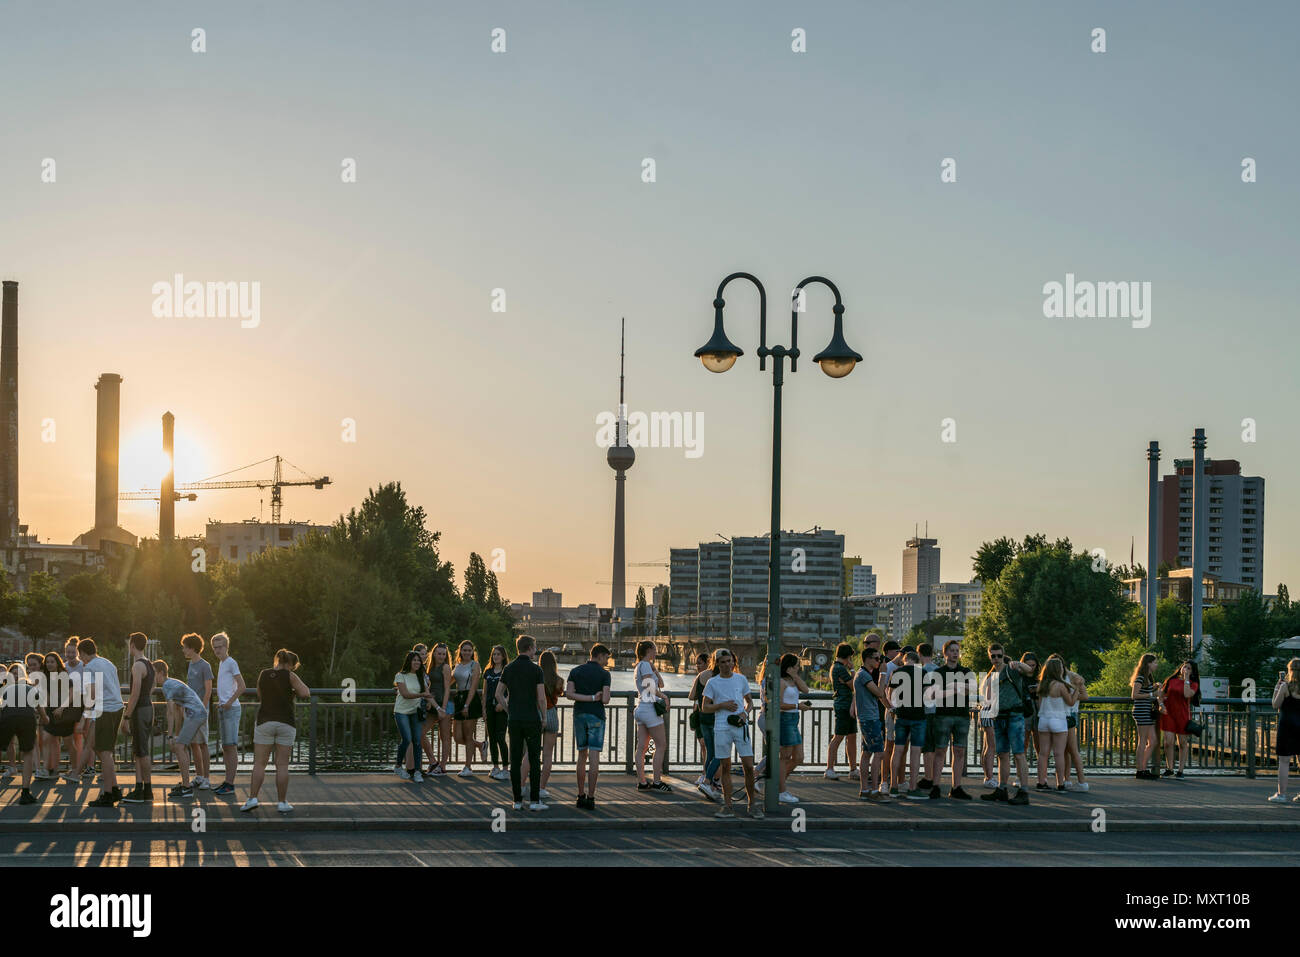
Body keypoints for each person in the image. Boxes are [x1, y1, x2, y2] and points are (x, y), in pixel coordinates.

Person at [241, 648, 311, 813]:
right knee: (282, 765)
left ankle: (252, 799)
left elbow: (261, 696)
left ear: (277, 661)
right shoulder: (290, 676)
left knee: (259, 764)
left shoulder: (263, 674)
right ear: (290, 665)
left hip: (265, 721)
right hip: (286, 723)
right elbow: (305, 693)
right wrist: (291, 692)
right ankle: (282, 803)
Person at [702, 647, 761, 819]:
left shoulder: (741, 679)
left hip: (740, 725)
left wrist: (745, 713)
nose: (727, 665)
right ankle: (728, 805)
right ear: (717, 664)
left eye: (730, 661)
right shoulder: (713, 682)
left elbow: (750, 702)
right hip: (721, 726)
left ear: (734, 661)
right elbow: (705, 707)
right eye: (723, 662)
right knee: (725, 766)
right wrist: (722, 705)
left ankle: (752, 804)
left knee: (749, 766)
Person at [979, 643, 1034, 805]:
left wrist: (1019, 663)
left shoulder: (1011, 669)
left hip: (1014, 716)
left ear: (1003, 655)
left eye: (999, 655)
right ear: (989, 657)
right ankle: (1002, 789)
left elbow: (1029, 671)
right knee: (1002, 754)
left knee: (1018, 754)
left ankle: (1024, 791)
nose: (996, 659)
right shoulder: (991, 676)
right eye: (993, 656)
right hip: (998, 717)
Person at [497, 634, 547, 811]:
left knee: (515, 760)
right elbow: (541, 698)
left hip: (515, 719)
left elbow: (498, 694)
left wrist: (508, 709)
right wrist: (544, 717)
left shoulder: (509, 668)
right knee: (534, 760)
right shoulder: (536, 670)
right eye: (534, 647)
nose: (535, 650)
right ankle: (534, 801)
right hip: (532, 719)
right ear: (531, 648)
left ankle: (517, 800)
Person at [154, 659, 208, 799]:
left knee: (179, 748)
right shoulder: (172, 683)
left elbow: (170, 712)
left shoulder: (167, 685)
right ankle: (186, 784)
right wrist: (177, 734)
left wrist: (170, 736)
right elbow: (178, 711)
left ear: (160, 673)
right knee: (182, 746)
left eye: (153, 674)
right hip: (197, 714)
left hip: (195, 715)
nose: (152, 678)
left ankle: (186, 788)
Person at [81, 639, 126, 808]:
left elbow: (91, 693)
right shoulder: (108, 663)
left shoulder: (89, 667)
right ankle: (113, 788)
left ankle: (108, 794)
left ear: (83, 653)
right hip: (116, 707)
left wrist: (85, 715)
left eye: (80, 655)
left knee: (104, 752)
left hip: (104, 709)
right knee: (101, 749)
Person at [567, 643, 612, 809]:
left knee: (581, 756)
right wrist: (595, 697)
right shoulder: (604, 674)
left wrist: (588, 697)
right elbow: (606, 699)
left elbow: (569, 694)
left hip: (579, 714)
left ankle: (580, 795)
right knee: (594, 758)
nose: (607, 661)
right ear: (599, 656)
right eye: (606, 657)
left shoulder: (575, 671)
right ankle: (591, 798)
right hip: (597, 716)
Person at [932, 639, 977, 800]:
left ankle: (956, 787)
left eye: (957, 650)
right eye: (952, 650)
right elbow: (934, 694)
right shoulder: (938, 672)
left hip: (962, 716)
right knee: (940, 751)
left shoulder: (966, 671)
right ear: (945, 653)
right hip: (943, 715)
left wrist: (951, 688)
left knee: (959, 752)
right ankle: (935, 786)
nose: (955, 653)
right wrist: (956, 688)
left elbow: (970, 690)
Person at [120, 633, 156, 804]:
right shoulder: (150, 665)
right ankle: (139, 787)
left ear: (132, 645)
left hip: (139, 711)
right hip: (148, 707)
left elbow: (134, 694)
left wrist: (126, 716)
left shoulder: (137, 666)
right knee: (139, 751)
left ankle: (147, 790)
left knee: (142, 752)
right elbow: (152, 688)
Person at [851, 647, 890, 800]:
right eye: (876, 658)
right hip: (870, 719)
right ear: (867, 659)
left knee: (867, 754)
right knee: (879, 753)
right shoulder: (864, 676)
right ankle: (874, 790)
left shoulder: (863, 674)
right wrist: (883, 673)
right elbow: (880, 693)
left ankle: (865, 790)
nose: (879, 661)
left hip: (867, 718)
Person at [888, 651, 928, 800]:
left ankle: (893, 787)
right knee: (915, 752)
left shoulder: (896, 672)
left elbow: (889, 693)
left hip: (901, 716)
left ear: (904, 660)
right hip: (918, 717)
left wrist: (894, 709)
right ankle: (912, 788)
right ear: (916, 661)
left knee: (897, 751)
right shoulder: (922, 672)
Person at [632, 640, 671, 792]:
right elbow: (650, 686)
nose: (656, 652)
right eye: (654, 649)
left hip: (640, 709)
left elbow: (660, 683)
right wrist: (664, 697)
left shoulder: (641, 666)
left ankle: (642, 782)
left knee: (641, 747)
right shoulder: (645, 665)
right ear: (649, 650)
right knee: (661, 745)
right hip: (650, 709)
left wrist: (655, 670)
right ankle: (656, 781)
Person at [1034, 658, 1077, 791]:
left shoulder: (1041, 685)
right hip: (1058, 719)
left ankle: (1041, 782)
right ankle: (1060, 783)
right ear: (1059, 670)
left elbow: (1040, 704)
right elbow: (1070, 702)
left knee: (1043, 753)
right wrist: (1077, 691)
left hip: (1044, 720)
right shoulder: (1060, 686)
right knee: (1059, 753)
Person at [37, 652, 81, 781]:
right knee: (46, 738)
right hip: (51, 713)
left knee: (69, 743)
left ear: (57, 663)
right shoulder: (45, 679)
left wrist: (62, 708)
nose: (50, 664)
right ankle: (46, 770)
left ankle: (74, 770)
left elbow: (72, 695)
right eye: (48, 662)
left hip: (65, 714)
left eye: (52, 661)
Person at [211, 631, 246, 796]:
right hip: (224, 708)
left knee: (230, 747)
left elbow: (242, 686)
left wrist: (230, 702)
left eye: (220, 647)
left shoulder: (231, 662)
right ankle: (227, 782)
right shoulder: (221, 663)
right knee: (225, 747)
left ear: (226, 647)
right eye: (215, 647)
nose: (217, 650)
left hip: (231, 710)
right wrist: (223, 702)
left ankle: (230, 785)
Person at [0, 664, 38, 805]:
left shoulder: (28, 687)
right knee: (26, 751)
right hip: (15, 718)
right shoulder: (6, 687)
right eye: (13, 673)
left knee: (27, 751)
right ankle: (25, 791)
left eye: (18, 673)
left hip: (16, 718)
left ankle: (25, 791)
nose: (16, 676)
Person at [777, 653, 812, 804]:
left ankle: (777, 784)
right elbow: (777, 705)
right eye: (796, 666)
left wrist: (795, 676)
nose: (799, 668)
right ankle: (780, 791)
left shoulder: (792, 681)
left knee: (798, 757)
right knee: (784, 757)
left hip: (793, 719)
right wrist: (797, 706)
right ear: (789, 666)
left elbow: (806, 690)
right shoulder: (781, 682)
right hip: (785, 719)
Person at [181, 633, 214, 791]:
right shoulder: (191, 665)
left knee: (203, 744)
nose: (183, 650)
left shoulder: (204, 665)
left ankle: (207, 778)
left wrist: (202, 709)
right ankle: (199, 776)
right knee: (194, 744)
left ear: (192, 648)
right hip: (190, 711)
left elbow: (208, 690)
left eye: (185, 647)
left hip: (200, 712)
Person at [393, 650, 432, 782]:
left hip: (415, 711)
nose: (417, 662)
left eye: (418, 660)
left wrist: (429, 703)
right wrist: (422, 696)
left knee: (416, 740)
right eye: (414, 660)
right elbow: (405, 694)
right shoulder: (400, 676)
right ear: (409, 662)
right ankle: (398, 766)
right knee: (407, 739)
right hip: (401, 711)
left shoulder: (421, 676)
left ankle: (417, 772)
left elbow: (427, 692)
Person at [688, 651, 722, 801]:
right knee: (719, 753)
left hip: (703, 718)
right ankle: (711, 782)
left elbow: (691, 696)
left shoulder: (701, 676)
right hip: (717, 717)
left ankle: (707, 780)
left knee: (709, 751)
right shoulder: (720, 677)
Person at [1159, 660, 1201, 778]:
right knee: (1168, 742)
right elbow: (1161, 695)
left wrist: (1186, 679)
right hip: (1168, 714)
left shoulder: (1193, 684)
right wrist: (1161, 705)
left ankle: (1180, 770)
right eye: (1184, 667)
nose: (1185, 669)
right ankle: (1169, 768)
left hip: (1182, 715)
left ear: (1192, 672)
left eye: (1188, 668)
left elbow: (1187, 694)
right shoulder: (1171, 680)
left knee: (1182, 742)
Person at [535, 649, 565, 799]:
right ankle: (541, 788)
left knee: (530, 754)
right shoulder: (558, 680)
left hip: (537, 714)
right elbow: (560, 692)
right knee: (548, 755)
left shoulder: (535, 677)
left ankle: (522, 786)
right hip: (552, 714)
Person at [825, 643, 857, 780]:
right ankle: (829, 768)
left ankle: (853, 768)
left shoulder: (835, 667)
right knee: (838, 737)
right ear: (848, 656)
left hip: (847, 705)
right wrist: (854, 670)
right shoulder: (840, 669)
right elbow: (854, 685)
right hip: (844, 706)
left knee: (851, 737)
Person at [1269, 659, 1300, 804]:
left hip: (1287, 725)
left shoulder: (1285, 686)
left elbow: (1275, 704)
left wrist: (1277, 687)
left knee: (1284, 761)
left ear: (1290, 670)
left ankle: (1281, 794)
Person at [451, 641, 483, 776]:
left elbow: (474, 687)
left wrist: (466, 705)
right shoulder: (457, 665)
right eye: (464, 650)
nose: (467, 652)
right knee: (457, 737)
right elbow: (450, 681)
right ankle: (481, 745)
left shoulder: (475, 665)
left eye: (469, 650)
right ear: (460, 651)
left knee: (468, 736)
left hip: (470, 699)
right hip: (458, 698)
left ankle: (468, 767)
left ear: (472, 652)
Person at [1131, 653, 1163, 780]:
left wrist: (1154, 686)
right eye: (1155, 662)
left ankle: (1143, 767)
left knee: (1153, 740)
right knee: (1142, 741)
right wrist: (1152, 694)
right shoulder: (1139, 678)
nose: (1156, 664)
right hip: (1141, 711)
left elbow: (1146, 691)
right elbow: (1134, 695)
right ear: (1148, 663)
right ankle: (1140, 770)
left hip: (1147, 711)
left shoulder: (1148, 678)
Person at [480, 645, 510, 780]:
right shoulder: (488, 672)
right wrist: (484, 710)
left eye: (498, 654)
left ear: (503, 656)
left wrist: (503, 703)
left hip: (502, 709)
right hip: (490, 708)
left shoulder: (507, 671)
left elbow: (511, 692)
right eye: (494, 654)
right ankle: (495, 766)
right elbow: (485, 693)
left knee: (500, 737)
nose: (495, 656)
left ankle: (505, 768)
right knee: (491, 738)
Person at [423, 642, 453, 775]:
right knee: (420, 733)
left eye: (443, 654)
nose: (441, 656)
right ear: (433, 654)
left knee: (444, 736)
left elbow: (447, 688)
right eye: (439, 653)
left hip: (444, 704)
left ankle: (442, 766)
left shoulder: (445, 667)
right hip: (433, 703)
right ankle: (433, 761)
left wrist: (444, 708)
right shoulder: (429, 667)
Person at [1060, 659, 1090, 791]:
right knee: (1064, 750)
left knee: (1072, 749)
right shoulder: (1055, 677)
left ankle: (1082, 781)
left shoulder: (1073, 677)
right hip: (1059, 714)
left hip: (1070, 714)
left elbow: (1085, 696)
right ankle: (1066, 780)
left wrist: (1068, 696)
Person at [878, 641, 903, 795]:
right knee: (889, 747)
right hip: (891, 712)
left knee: (901, 748)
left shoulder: (903, 668)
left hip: (902, 713)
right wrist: (889, 707)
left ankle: (900, 781)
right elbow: (882, 691)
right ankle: (884, 781)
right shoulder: (889, 668)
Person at [917, 642, 941, 793]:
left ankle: (928, 777)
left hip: (926, 712)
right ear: (931, 654)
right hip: (938, 712)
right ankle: (934, 776)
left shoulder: (921, 671)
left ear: (919, 654)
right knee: (936, 746)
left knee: (927, 746)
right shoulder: (939, 670)